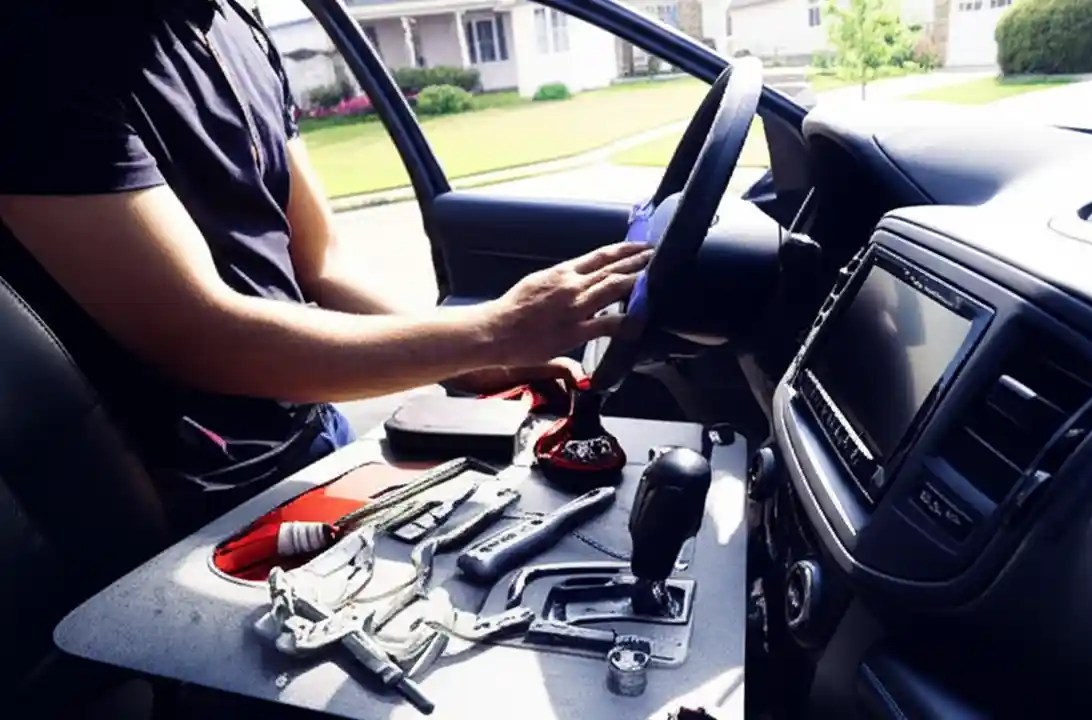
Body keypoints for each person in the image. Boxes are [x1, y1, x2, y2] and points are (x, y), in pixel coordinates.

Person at [0, 0, 648, 521]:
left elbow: (322, 262)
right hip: (196, 487)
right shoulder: (38, 51)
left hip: (314, 431)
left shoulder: (234, 23)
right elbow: (197, 334)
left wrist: (480, 359)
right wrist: (491, 329)